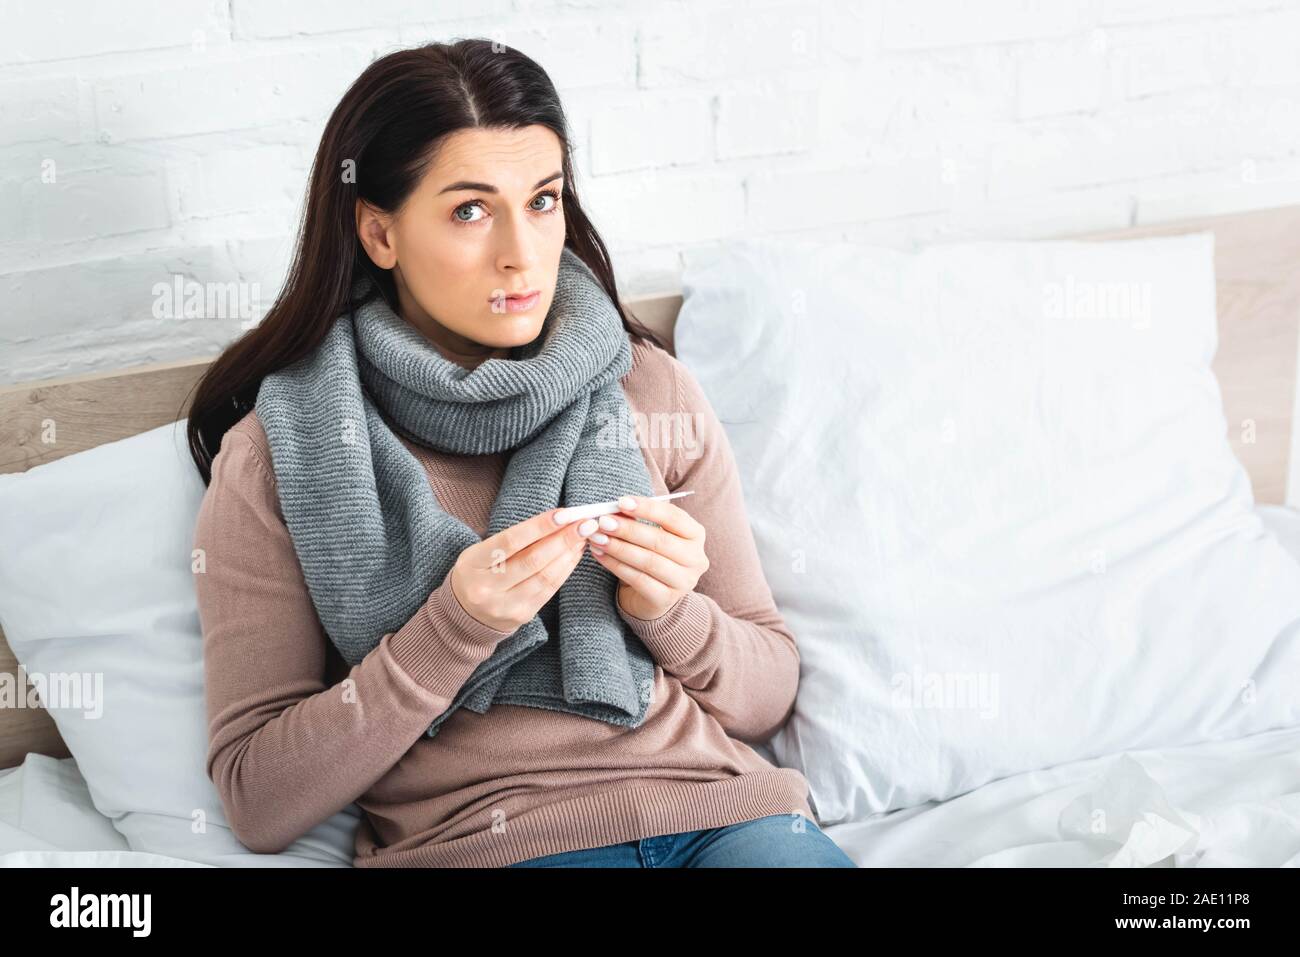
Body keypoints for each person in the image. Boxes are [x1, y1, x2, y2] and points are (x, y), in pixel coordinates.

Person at [185, 37, 856, 869]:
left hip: (730, 819)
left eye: (542, 200)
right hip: (489, 846)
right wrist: (453, 627)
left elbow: (767, 694)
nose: (523, 252)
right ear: (379, 232)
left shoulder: (651, 389)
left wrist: (672, 611)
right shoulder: (284, 453)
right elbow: (259, 796)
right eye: (470, 210)